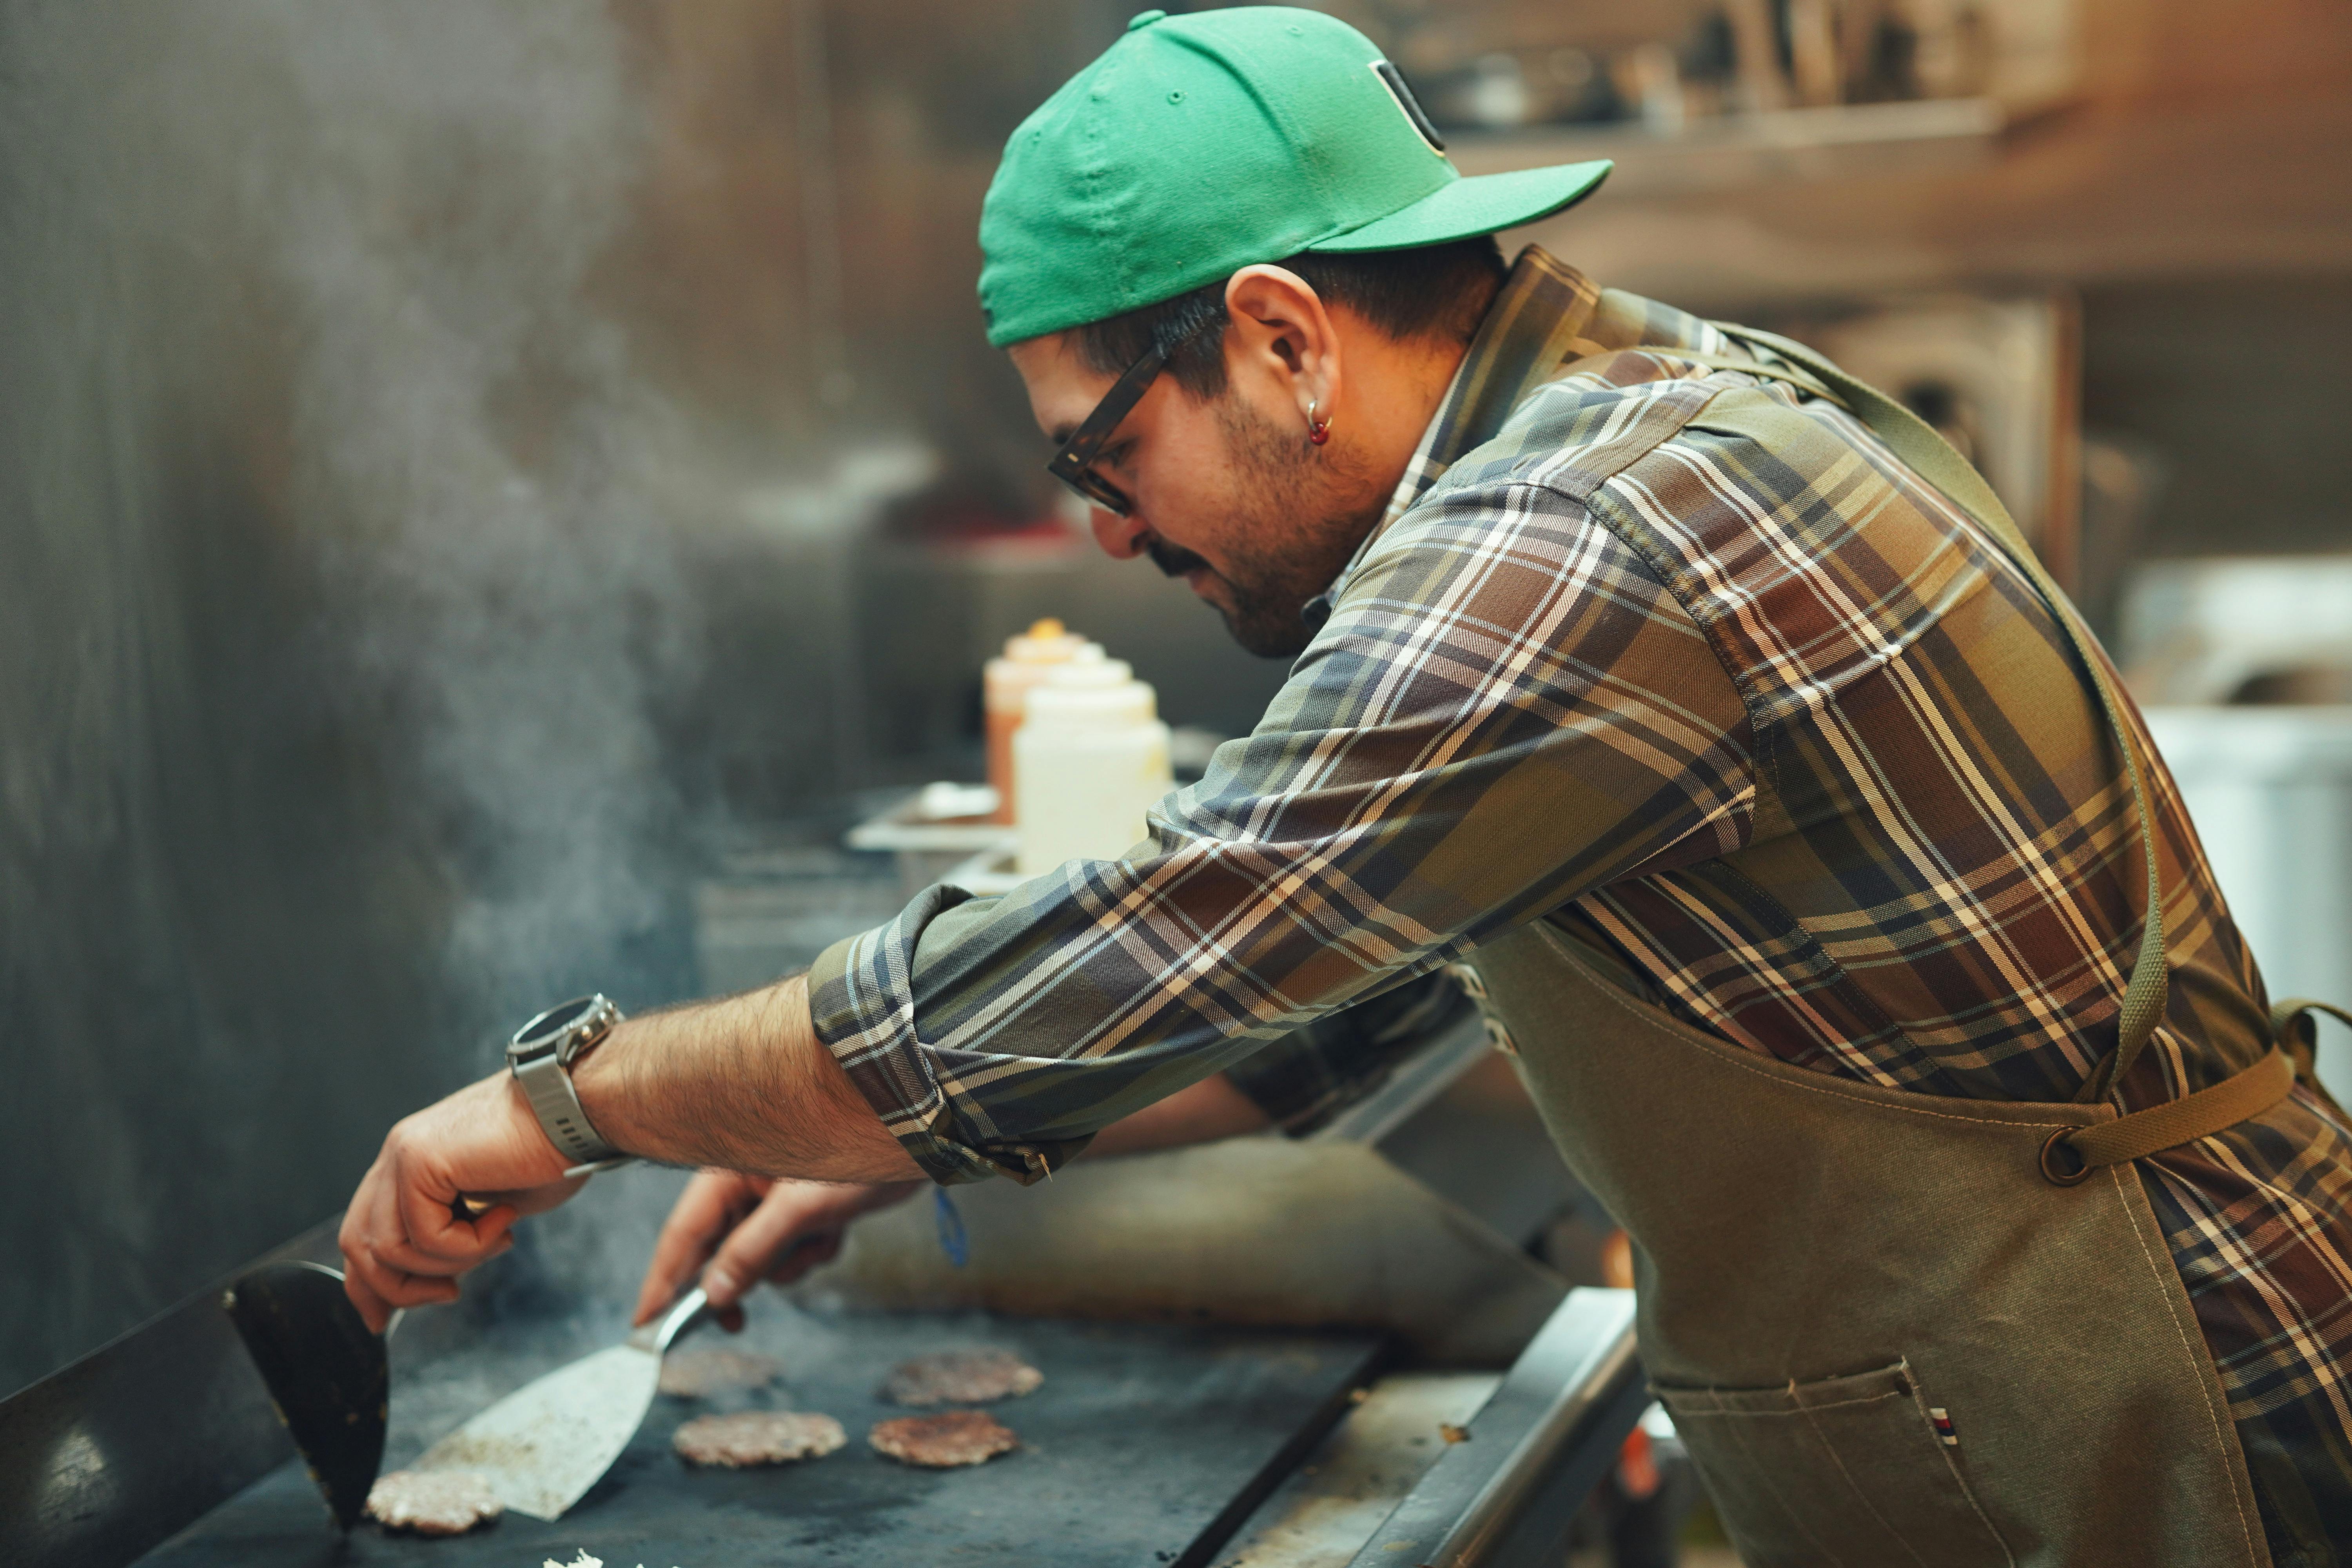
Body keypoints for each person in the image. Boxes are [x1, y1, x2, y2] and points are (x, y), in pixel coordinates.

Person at [337, 9, 2352, 1563]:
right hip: (2067, 1395)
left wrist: (560, 1101)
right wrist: (889, 1142)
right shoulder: (1621, 414)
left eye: (1097, 456)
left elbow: (1174, 938)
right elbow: (1341, 997)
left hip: (2157, 1428)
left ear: (1283, 336)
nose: (1108, 535)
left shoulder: (1572, 532)